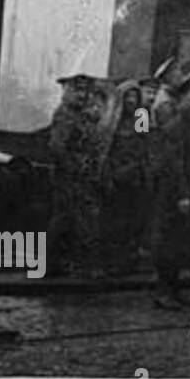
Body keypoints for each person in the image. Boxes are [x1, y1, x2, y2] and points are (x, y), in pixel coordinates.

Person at [150, 68, 190, 309]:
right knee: (167, 241)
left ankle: (175, 289)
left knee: (181, 242)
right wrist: (183, 194)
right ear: (184, 97)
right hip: (174, 190)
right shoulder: (179, 120)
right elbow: (174, 160)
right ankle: (164, 291)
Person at [47, 74, 108, 277]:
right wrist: (75, 167)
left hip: (88, 174)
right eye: (78, 90)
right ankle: (55, 264)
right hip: (71, 176)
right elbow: (57, 147)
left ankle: (71, 263)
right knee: (69, 218)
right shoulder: (65, 115)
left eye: (85, 91)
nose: (82, 95)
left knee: (82, 218)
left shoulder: (85, 115)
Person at [102, 81, 150, 275]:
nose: (132, 100)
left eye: (135, 96)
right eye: (128, 96)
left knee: (135, 219)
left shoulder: (141, 116)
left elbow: (145, 145)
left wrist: (139, 167)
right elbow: (105, 149)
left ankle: (131, 259)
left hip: (136, 175)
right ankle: (113, 261)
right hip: (115, 176)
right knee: (115, 220)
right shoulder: (112, 119)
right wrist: (111, 173)